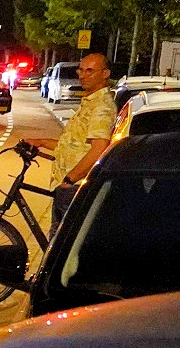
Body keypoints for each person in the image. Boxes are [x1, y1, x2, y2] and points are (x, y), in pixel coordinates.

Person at [27, 51, 115, 226]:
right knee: (57, 240)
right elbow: (75, 145)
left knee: (63, 246)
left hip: (75, 187)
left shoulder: (102, 107)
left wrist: (69, 180)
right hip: (68, 186)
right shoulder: (90, 103)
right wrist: (43, 142)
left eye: (89, 71)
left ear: (105, 74)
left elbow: (99, 148)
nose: (82, 75)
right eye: (81, 70)